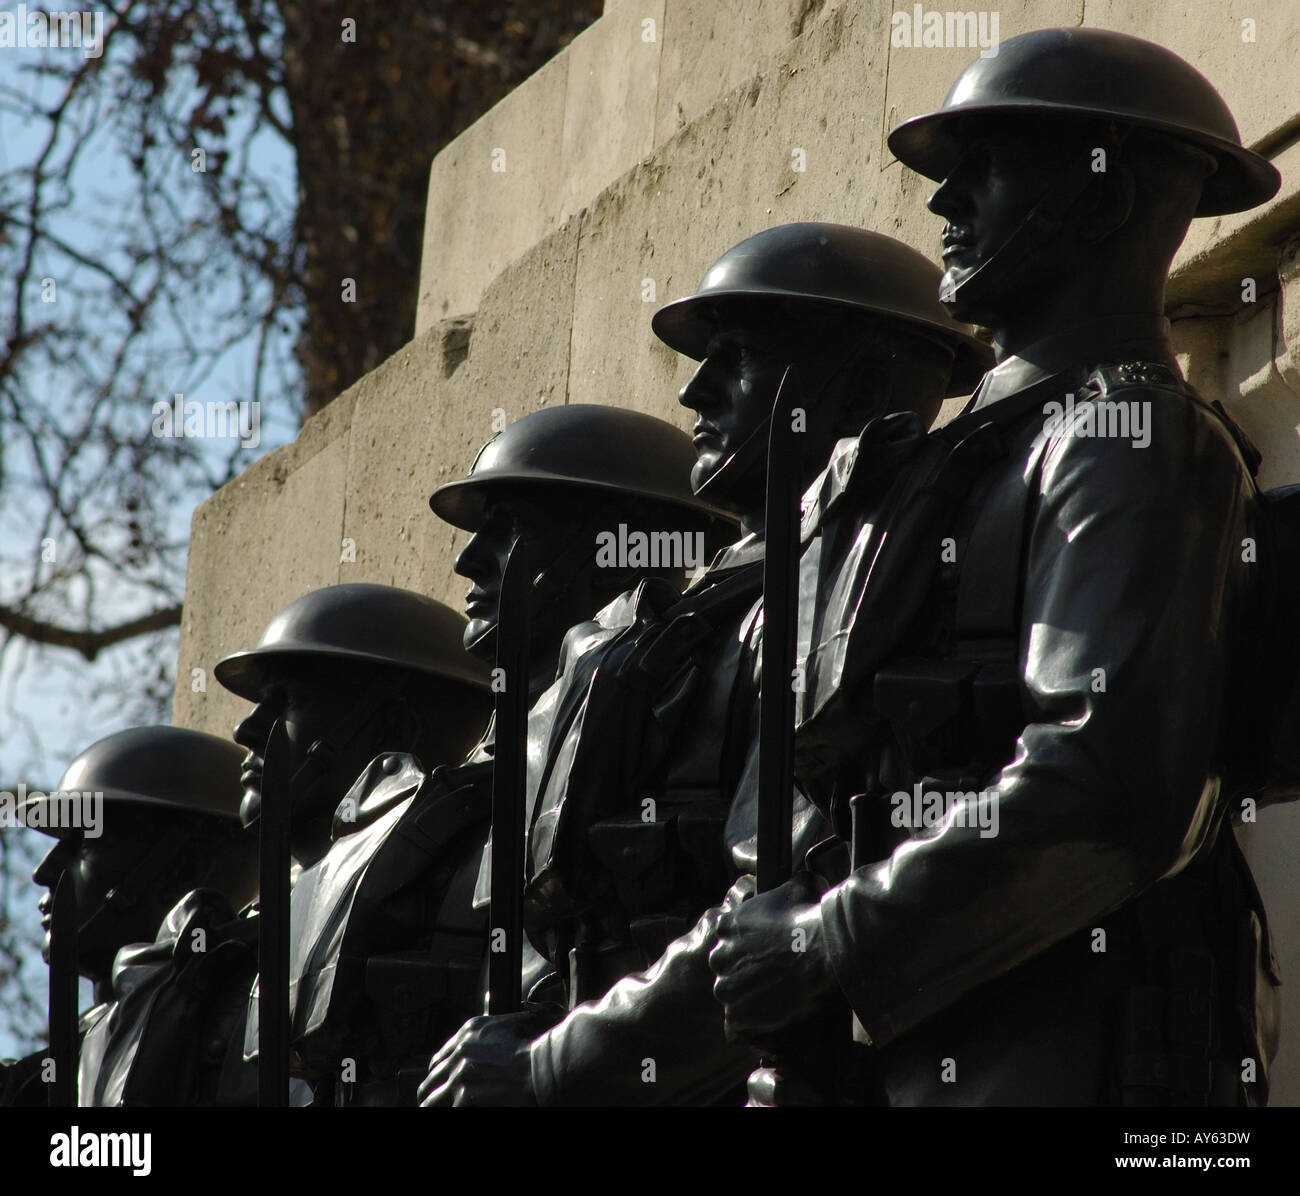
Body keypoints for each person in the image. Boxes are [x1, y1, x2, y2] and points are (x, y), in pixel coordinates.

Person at [708, 27, 1284, 1107]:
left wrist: (833, 933)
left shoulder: (1127, 434)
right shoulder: (941, 468)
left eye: (985, 170)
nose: (942, 206)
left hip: (1068, 1053)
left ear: (1105, 202)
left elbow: (1106, 777)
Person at [420, 223, 990, 1105]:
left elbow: (772, 905)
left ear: (865, 383)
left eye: (739, 358)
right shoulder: (677, 636)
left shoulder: (863, 587)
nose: (693, 388)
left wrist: (555, 1066)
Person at [277, 405, 731, 1105]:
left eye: (512, 526)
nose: (466, 558)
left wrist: (555, 1061)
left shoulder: (703, 696)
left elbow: (751, 934)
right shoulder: (456, 809)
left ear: (625, 544)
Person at [0, 726, 254, 1106]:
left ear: (187, 865)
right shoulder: (36, 1084)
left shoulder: (254, 1019)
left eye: (84, 844)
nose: (44, 871)